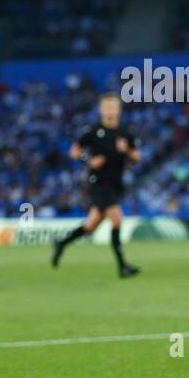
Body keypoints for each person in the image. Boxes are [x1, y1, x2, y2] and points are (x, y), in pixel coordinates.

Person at [51, 91, 142, 277]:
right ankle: (122, 267)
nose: (110, 110)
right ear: (101, 109)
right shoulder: (93, 131)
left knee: (91, 225)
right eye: (106, 106)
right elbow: (74, 151)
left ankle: (61, 243)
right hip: (98, 182)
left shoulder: (125, 133)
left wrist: (126, 151)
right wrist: (88, 159)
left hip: (116, 183)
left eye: (113, 106)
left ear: (119, 109)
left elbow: (137, 158)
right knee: (117, 219)